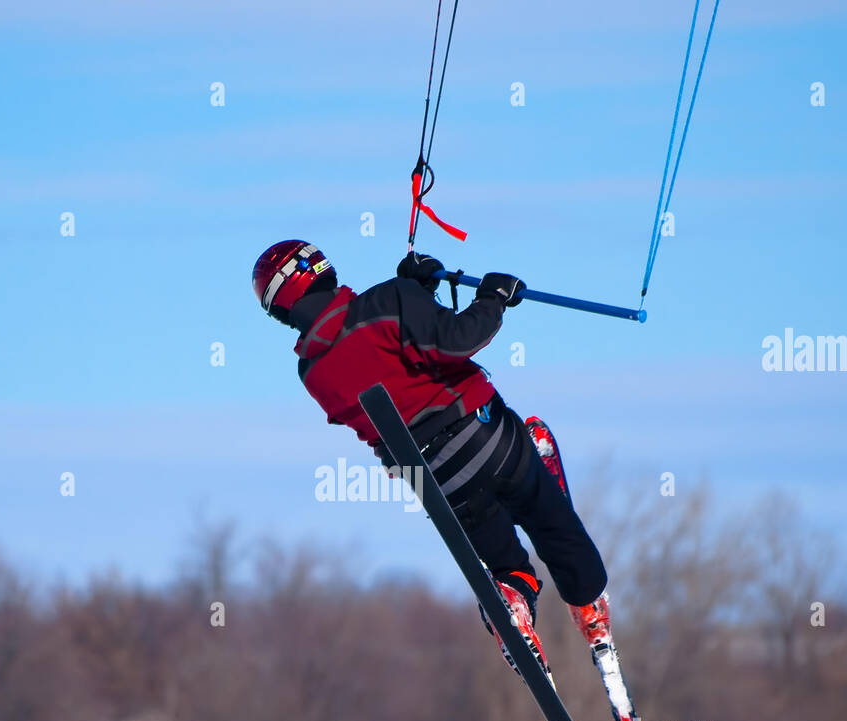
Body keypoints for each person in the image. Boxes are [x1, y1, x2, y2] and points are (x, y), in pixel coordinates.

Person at [251, 239, 616, 676]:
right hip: (489, 439)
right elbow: (456, 341)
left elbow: (377, 358)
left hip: (440, 484)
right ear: (321, 269)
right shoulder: (388, 299)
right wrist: (493, 299)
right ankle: (589, 602)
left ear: (279, 308)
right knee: (550, 520)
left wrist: (418, 292)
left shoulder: (311, 372)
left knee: (508, 566)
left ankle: (514, 597)